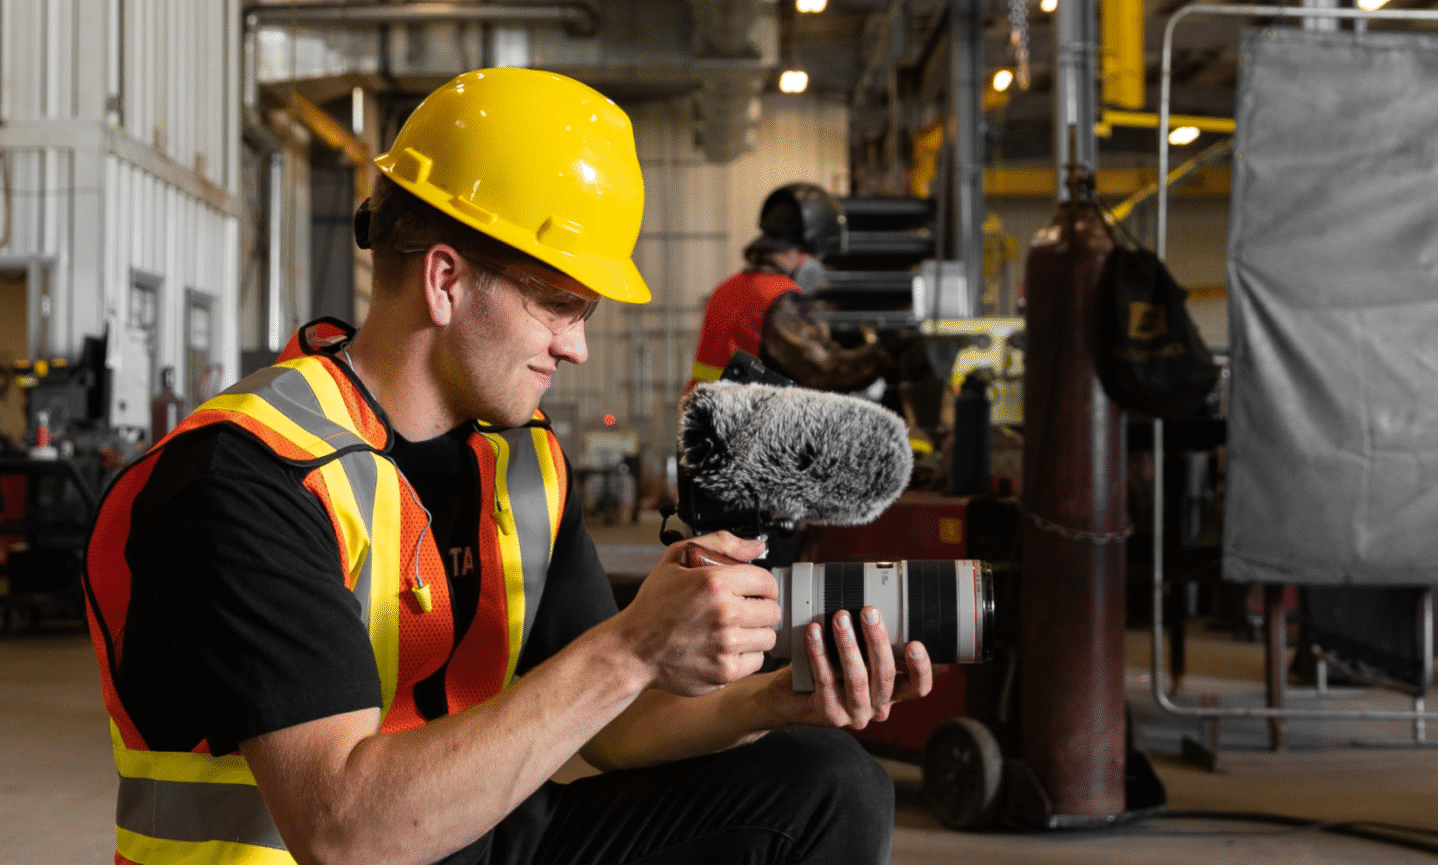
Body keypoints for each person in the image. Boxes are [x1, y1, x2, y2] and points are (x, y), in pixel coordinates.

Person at [83, 69, 932, 865]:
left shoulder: (520, 463)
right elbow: (342, 830)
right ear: (446, 281)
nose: (578, 344)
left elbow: (612, 726)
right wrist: (630, 646)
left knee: (829, 784)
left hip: (473, 837)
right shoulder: (245, 476)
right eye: (558, 303)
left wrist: (778, 698)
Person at [689, 183, 891, 393]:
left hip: (710, 416)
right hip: (749, 421)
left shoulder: (728, 288)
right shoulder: (780, 298)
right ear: (799, 250)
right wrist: (882, 356)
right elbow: (826, 370)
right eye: (816, 256)